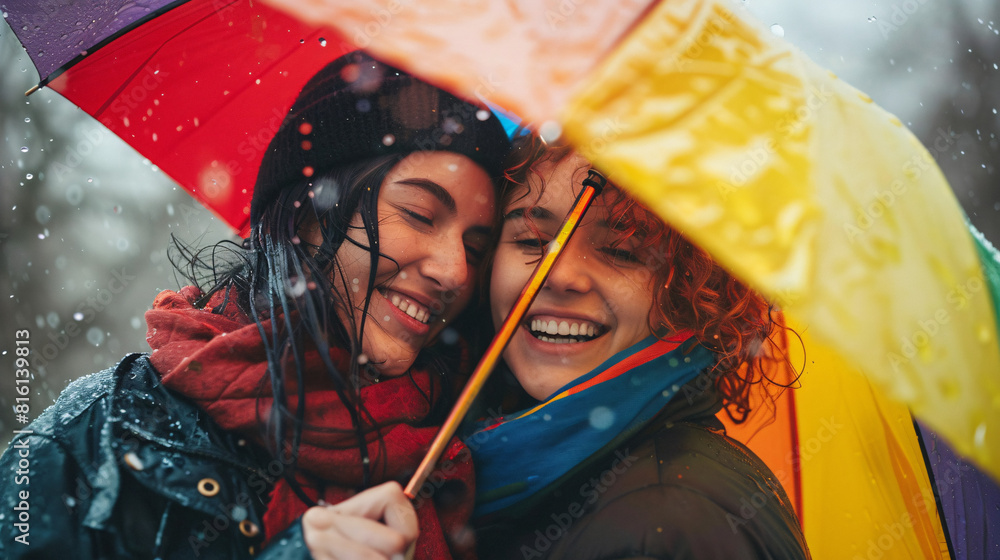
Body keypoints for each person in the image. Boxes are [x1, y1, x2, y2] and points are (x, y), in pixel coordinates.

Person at [0, 51, 510, 560]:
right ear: (310, 211)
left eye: (475, 248)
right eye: (421, 215)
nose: (455, 271)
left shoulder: (467, 457)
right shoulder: (98, 436)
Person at [467, 137, 811, 559]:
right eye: (532, 240)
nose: (557, 275)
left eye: (620, 251)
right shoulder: (492, 473)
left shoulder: (666, 523)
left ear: (690, 294)